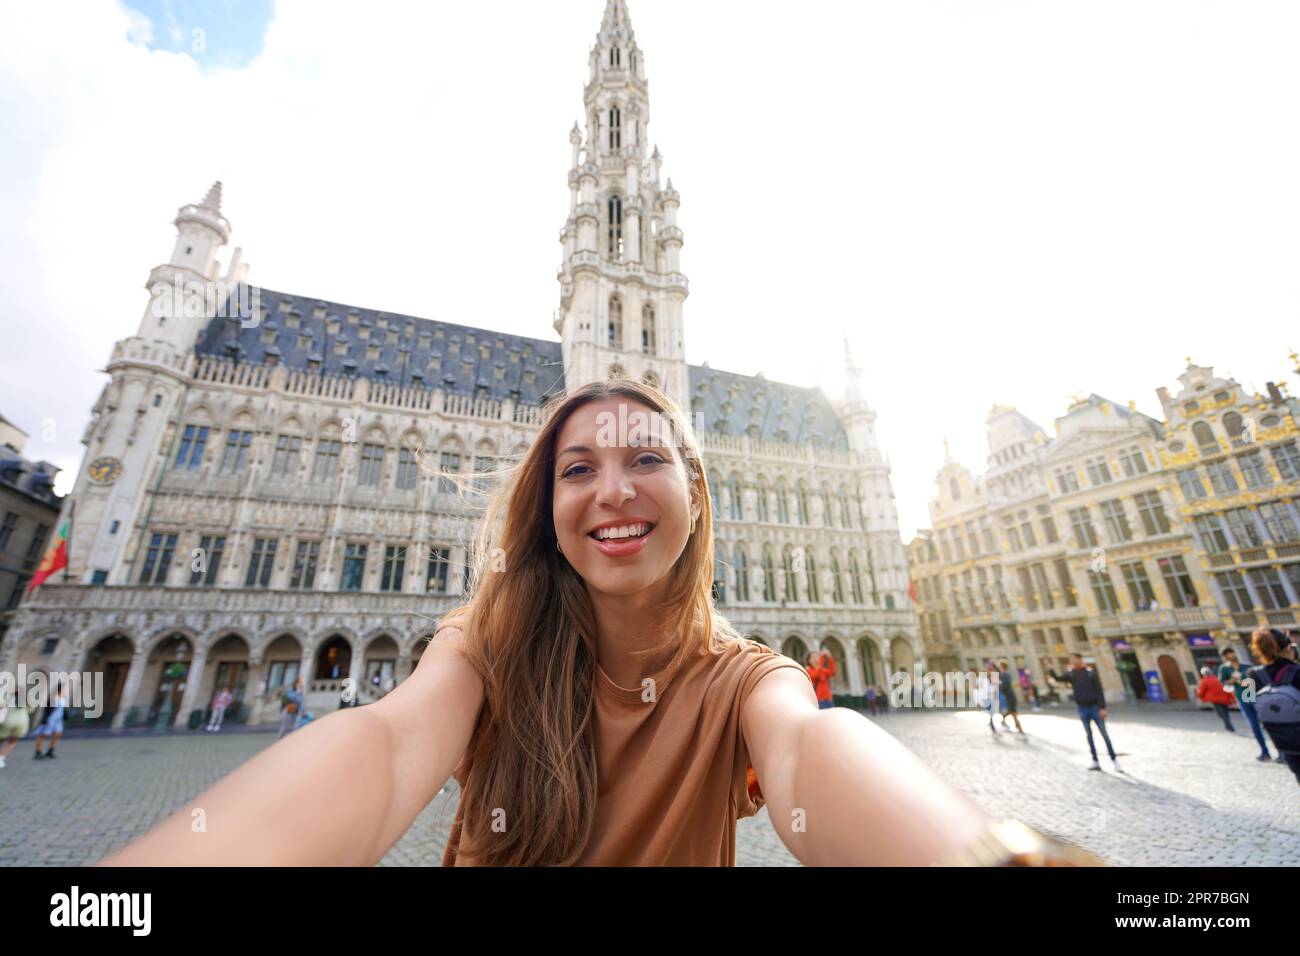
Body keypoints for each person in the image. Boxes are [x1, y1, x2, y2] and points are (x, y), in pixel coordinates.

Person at [103, 380, 1099, 867]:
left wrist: (989, 856)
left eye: (646, 459)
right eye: (577, 466)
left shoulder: (743, 680)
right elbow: (381, 745)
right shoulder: (486, 650)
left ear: (700, 495)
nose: (612, 491)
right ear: (545, 504)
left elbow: (813, 751)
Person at [1049, 655, 1121, 772]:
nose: (1072, 661)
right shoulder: (1071, 674)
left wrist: (1102, 707)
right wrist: (1050, 668)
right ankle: (1095, 760)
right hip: (1082, 708)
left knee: (1104, 735)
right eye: (1071, 660)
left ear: (1079, 660)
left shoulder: (1090, 673)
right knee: (1089, 735)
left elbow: (1099, 691)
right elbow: (1058, 678)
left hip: (1094, 708)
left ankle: (1114, 760)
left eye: (1073, 659)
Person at [1248, 628, 1300, 785]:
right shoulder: (1297, 672)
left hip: (1285, 742)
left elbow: (1247, 699)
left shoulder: (1252, 674)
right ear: (1289, 649)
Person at [1219, 648, 1270, 760]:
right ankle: (1265, 751)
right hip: (1242, 699)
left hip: (1255, 696)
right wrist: (1232, 681)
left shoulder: (1247, 666)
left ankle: (1281, 753)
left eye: (1231, 653)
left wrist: (1241, 681)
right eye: (1226, 655)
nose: (1229, 656)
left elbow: (1256, 680)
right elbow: (1223, 682)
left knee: (1268, 723)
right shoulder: (1224, 668)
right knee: (1254, 726)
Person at [32, 677, 68, 760]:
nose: (65, 690)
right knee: (43, 735)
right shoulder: (54, 698)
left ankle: (50, 751)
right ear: (60, 689)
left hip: (59, 720)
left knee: (57, 734)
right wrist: (45, 719)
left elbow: (64, 710)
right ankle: (38, 751)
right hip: (51, 719)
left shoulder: (64, 699)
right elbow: (47, 709)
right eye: (64, 689)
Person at [1194, 666, 1236, 732]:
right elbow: (1227, 690)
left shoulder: (1204, 681)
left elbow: (1201, 691)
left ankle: (1229, 726)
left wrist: (1200, 697)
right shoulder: (1218, 679)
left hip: (1215, 700)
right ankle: (1228, 725)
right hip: (1224, 699)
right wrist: (1232, 699)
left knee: (1221, 714)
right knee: (1225, 713)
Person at [0, 697, 30, 769]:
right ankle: (2, 758)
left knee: (1, 738)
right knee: (13, 741)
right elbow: (31, 709)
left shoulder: (7, 695)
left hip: (8, 719)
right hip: (23, 720)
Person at [998, 660, 1025, 735]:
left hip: (1009, 696)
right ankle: (1017, 726)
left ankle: (1019, 728)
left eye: (999, 665)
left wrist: (999, 686)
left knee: (1013, 712)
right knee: (1012, 712)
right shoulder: (1003, 674)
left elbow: (1005, 686)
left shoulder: (1005, 675)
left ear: (1002, 666)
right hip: (1008, 696)